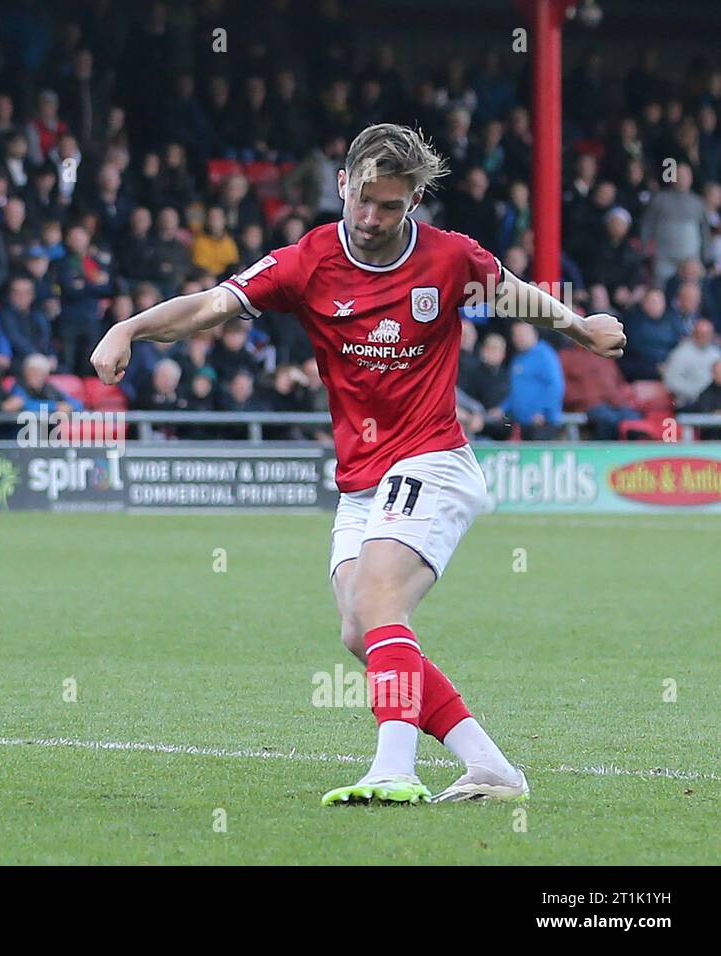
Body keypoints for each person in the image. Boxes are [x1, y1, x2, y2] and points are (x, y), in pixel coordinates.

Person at [90, 124, 626, 805]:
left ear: (415, 201)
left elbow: (516, 293)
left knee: (378, 603)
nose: (372, 218)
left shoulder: (451, 259)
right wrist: (128, 327)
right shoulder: (308, 261)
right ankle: (488, 765)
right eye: (363, 200)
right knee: (360, 628)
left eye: (391, 206)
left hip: (433, 458)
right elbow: (213, 306)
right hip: (362, 480)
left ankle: (393, 769)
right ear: (342, 184)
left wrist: (581, 326)